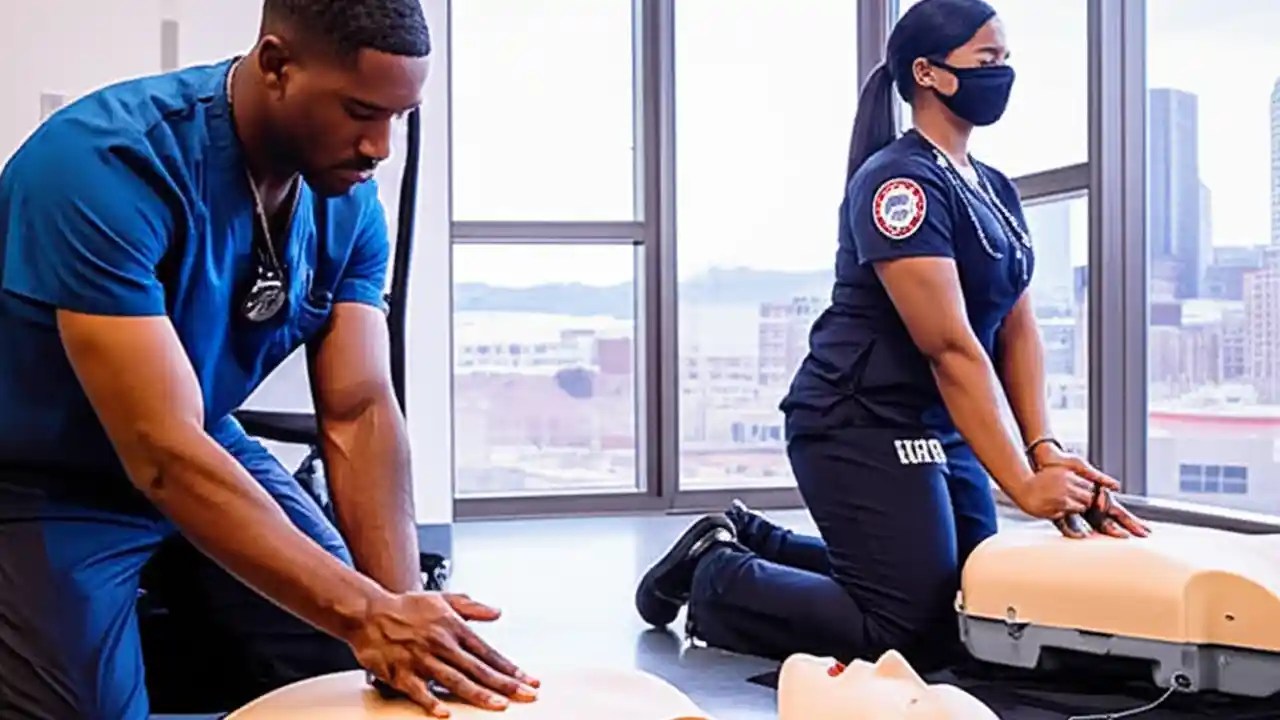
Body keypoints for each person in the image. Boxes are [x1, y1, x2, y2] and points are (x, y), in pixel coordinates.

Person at [0, 1, 536, 718]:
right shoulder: (101, 166)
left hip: (201, 436)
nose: (379, 147)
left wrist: (401, 610)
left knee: (364, 667)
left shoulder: (348, 205)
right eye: (359, 112)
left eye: (398, 119)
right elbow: (160, 452)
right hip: (42, 473)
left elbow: (359, 408)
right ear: (278, 65)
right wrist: (364, 612)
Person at [634, 0, 1150, 671]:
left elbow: (1015, 327)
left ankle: (754, 538)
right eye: (987, 59)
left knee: (972, 597)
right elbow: (949, 347)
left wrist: (1042, 449)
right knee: (907, 631)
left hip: (939, 422)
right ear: (928, 73)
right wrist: (1022, 486)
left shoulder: (994, 189)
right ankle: (717, 573)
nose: (1003, 73)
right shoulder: (898, 184)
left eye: (1006, 59)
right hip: (858, 417)